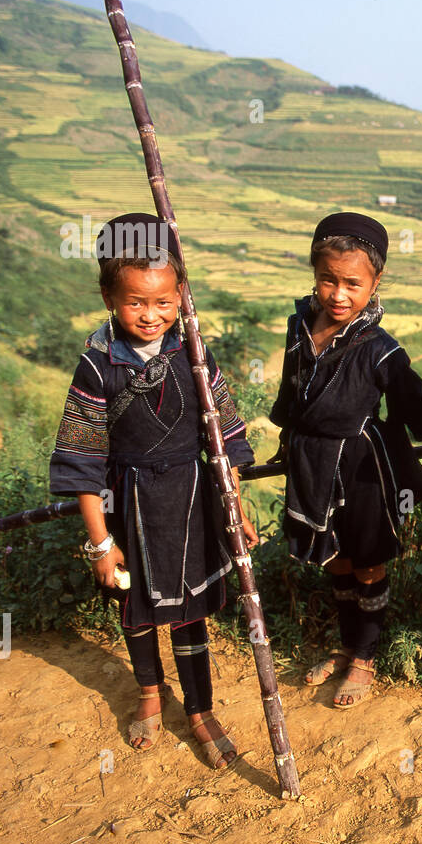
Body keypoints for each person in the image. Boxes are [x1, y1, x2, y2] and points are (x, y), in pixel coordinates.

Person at [50, 212, 258, 770]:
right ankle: (148, 691)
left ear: (180, 293)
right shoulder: (97, 364)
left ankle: (199, 708)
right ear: (108, 296)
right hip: (128, 501)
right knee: (136, 604)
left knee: (189, 609)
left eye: (164, 302)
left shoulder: (194, 351)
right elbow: (81, 459)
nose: (151, 315)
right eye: (135, 303)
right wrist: (100, 543)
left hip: (191, 499)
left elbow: (224, 434)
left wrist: (235, 504)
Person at [270, 212, 422, 708]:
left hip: (362, 467)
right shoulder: (298, 328)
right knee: (337, 559)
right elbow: (291, 390)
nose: (338, 294)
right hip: (312, 460)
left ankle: (365, 658)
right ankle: (343, 644)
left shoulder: (380, 349)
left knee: (369, 563)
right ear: (315, 274)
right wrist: (286, 441)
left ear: (375, 283)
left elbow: (410, 398)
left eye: (353, 283)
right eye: (328, 280)